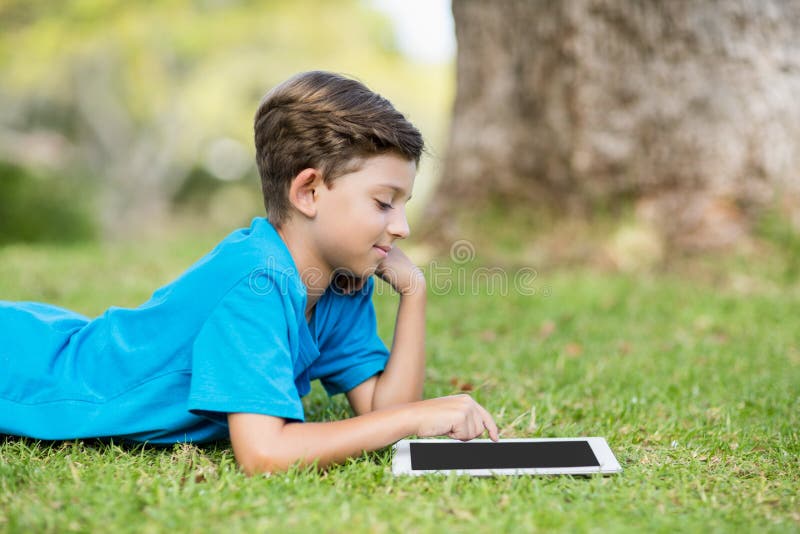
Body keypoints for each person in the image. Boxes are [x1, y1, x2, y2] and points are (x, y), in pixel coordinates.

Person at [0, 71, 499, 475]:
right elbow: (264, 454)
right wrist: (417, 417)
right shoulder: (254, 282)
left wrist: (414, 294)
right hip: (26, 368)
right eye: (384, 203)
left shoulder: (344, 282)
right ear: (308, 193)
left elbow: (379, 411)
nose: (403, 227)